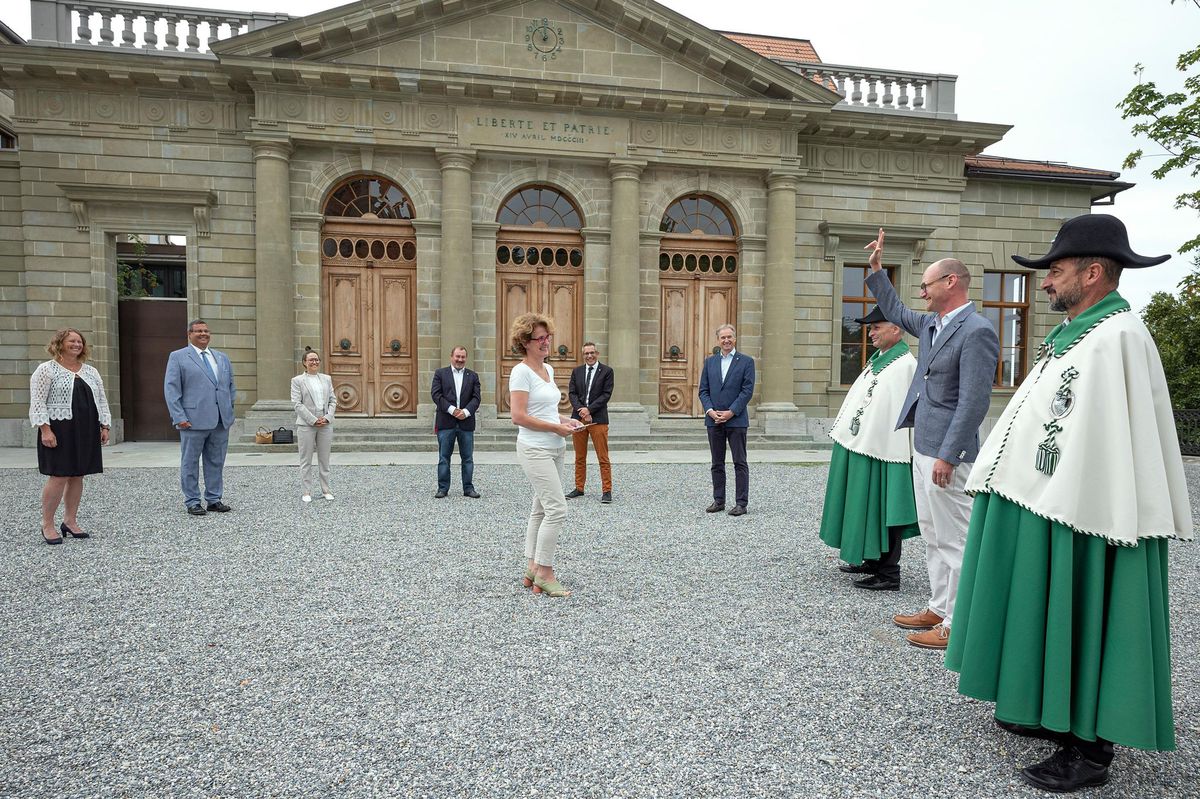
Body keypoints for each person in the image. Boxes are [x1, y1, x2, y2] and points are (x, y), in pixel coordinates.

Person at [946, 214, 1192, 792]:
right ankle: (1051, 709)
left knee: (1087, 605)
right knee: (1048, 602)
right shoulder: (1079, 333)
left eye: (1055, 271)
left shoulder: (1119, 337)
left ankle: (1089, 745)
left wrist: (1076, 496)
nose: (1046, 283)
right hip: (1050, 499)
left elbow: (1113, 444)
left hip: (1088, 513)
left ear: (1094, 272)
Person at [864, 230, 998, 649]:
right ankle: (939, 606)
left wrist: (949, 455)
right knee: (933, 531)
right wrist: (877, 273)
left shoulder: (976, 331)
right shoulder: (932, 324)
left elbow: (974, 402)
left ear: (951, 283)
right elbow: (897, 311)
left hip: (947, 455)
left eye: (927, 283)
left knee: (956, 536)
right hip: (924, 445)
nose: (921, 290)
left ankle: (958, 623)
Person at [819, 306, 920, 590]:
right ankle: (872, 559)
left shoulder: (905, 366)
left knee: (885, 507)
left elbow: (900, 414)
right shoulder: (880, 360)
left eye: (877, 327)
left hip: (887, 452)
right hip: (865, 446)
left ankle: (889, 573)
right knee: (865, 505)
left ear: (896, 329)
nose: (871, 332)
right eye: (870, 328)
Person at [508, 312, 583, 597]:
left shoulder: (548, 370)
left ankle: (532, 567)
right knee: (557, 509)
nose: (546, 342)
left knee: (540, 508)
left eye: (547, 336)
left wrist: (564, 420)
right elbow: (518, 416)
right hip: (534, 448)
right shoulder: (520, 372)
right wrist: (554, 426)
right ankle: (545, 572)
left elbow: (547, 411)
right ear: (525, 342)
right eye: (540, 338)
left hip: (555, 446)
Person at [29, 328, 111, 545]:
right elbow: (37, 402)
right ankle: (47, 524)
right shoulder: (46, 370)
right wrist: (45, 430)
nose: (77, 344)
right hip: (59, 430)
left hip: (86, 429)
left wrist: (105, 425)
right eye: (72, 341)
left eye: (80, 341)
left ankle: (70, 521)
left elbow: (101, 400)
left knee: (78, 475)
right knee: (59, 475)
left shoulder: (91, 371)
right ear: (60, 343)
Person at [163, 319, 235, 516]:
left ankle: (214, 499)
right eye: (198, 331)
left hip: (220, 421)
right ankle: (193, 501)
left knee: (216, 461)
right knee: (190, 462)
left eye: (206, 331)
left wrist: (229, 411)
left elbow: (230, 387)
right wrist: (178, 416)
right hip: (192, 420)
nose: (203, 334)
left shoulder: (221, 357)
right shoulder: (178, 357)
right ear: (189, 334)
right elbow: (171, 389)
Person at [698, 324, 755, 516]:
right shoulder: (710, 362)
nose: (726, 341)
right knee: (717, 463)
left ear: (735, 339)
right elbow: (703, 390)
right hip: (714, 420)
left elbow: (747, 391)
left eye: (729, 337)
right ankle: (719, 500)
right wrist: (709, 410)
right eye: (723, 338)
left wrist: (731, 412)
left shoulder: (746, 362)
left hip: (736, 420)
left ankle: (741, 503)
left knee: (740, 462)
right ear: (718, 340)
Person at [566, 341, 614, 503]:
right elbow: (572, 393)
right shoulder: (577, 372)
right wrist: (581, 410)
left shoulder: (607, 371)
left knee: (603, 457)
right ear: (583, 355)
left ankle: (606, 491)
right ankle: (579, 488)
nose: (589, 356)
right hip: (578, 420)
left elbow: (606, 394)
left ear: (597, 353)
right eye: (586, 353)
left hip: (598, 419)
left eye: (592, 352)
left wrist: (590, 410)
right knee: (579, 456)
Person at [431, 346, 481, 499]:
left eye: (463, 357)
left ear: (466, 358)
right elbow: (436, 395)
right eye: (457, 356)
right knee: (444, 458)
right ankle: (443, 488)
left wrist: (465, 412)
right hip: (446, 422)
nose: (460, 360)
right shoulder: (440, 374)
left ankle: (468, 488)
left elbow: (476, 398)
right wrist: (453, 410)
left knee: (467, 458)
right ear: (451, 356)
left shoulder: (473, 376)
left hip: (466, 423)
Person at [290, 350, 337, 503]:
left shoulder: (326, 379)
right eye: (311, 360)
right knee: (306, 460)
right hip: (306, 425)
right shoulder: (297, 381)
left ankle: (326, 489)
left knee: (324, 459)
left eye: (316, 359)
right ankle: (306, 491)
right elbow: (297, 404)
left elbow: (332, 400)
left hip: (325, 424)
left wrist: (328, 417)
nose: (314, 362)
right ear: (304, 362)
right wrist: (313, 419)